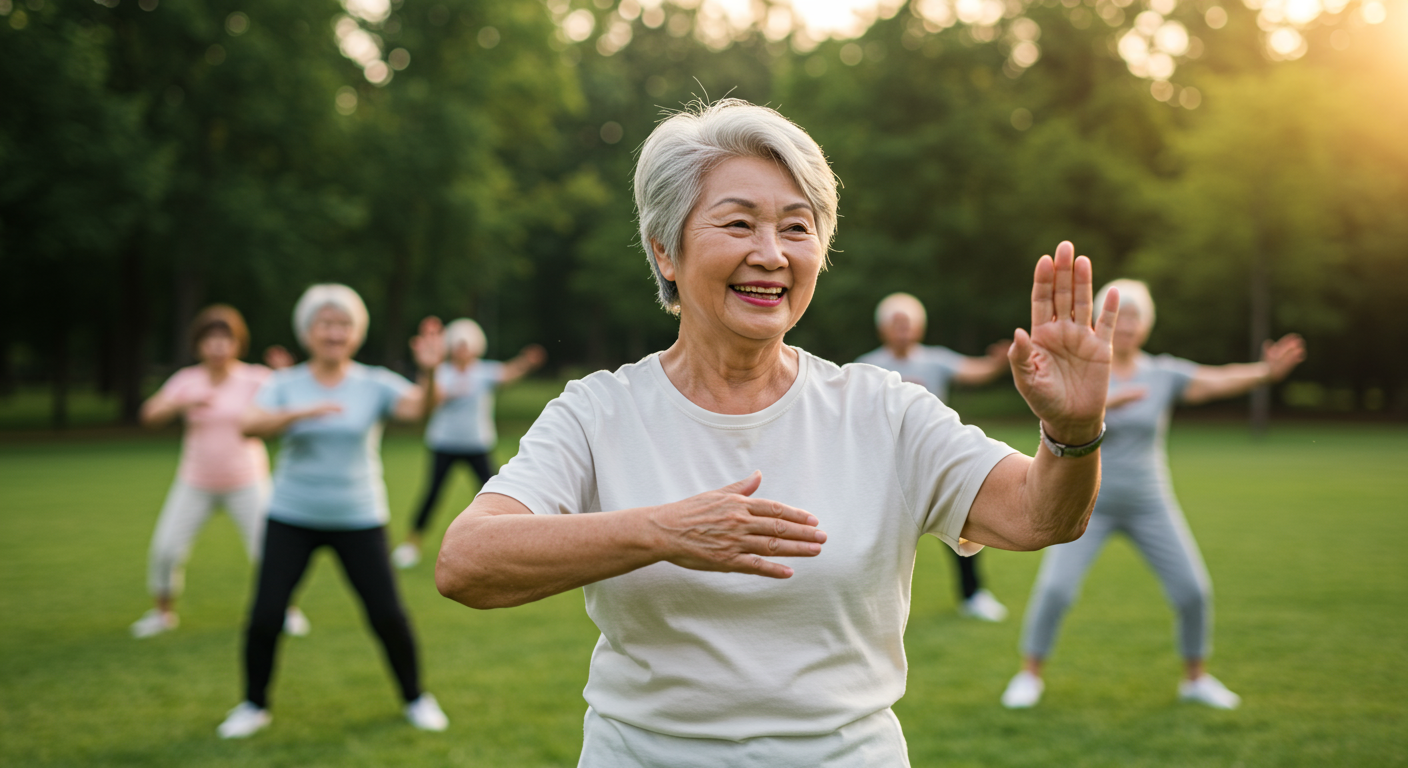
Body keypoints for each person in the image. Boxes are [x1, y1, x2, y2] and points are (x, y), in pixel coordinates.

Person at [435, 99, 1122, 767]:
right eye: (738, 224)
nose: (771, 254)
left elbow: (1041, 515)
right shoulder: (598, 411)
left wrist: (1073, 430)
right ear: (665, 251)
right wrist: (660, 532)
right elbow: (467, 562)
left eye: (798, 228)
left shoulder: (882, 409)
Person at [1001, 279, 1306, 711]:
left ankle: (1195, 679)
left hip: (1150, 503)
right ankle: (1029, 675)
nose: (1126, 324)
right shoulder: (1087, 364)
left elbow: (1215, 379)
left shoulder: (1163, 374)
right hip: (1088, 504)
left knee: (1193, 591)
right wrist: (1102, 403)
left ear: (1147, 325)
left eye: (1135, 316)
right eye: (1119, 314)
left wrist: (1265, 372)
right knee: (1055, 590)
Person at [217, 285, 450, 738]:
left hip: (358, 517)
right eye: (325, 323)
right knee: (266, 615)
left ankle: (416, 698)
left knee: (387, 615)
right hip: (291, 515)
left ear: (356, 333)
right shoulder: (283, 384)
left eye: (343, 324)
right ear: (308, 331)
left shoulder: (373, 382)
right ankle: (253, 705)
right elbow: (247, 425)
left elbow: (418, 411)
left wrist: (430, 373)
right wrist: (300, 413)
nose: (334, 332)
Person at [130, 305, 309, 640]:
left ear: (238, 344)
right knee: (166, 549)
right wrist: (181, 404)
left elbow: (295, 400)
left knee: (271, 552)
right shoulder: (187, 381)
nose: (217, 346)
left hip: (247, 482)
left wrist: (285, 376)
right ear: (198, 344)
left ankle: (287, 610)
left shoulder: (256, 378)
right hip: (195, 482)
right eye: (210, 339)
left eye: (225, 339)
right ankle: (162, 614)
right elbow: (149, 415)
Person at [856, 292, 1013, 622]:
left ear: (920, 327)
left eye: (908, 323)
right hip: (886, 467)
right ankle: (867, 603)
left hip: (935, 463)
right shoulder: (866, 366)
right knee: (874, 536)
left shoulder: (935, 360)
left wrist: (999, 362)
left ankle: (974, 595)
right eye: (896, 324)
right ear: (883, 328)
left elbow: (974, 370)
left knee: (963, 529)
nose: (903, 330)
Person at [391, 319, 546, 569]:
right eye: (458, 344)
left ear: (475, 347)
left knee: (497, 493)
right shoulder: (440, 372)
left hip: (477, 445)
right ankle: (411, 544)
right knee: (432, 495)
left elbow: (508, 372)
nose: (462, 350)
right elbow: (430, 397)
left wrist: (526, 361)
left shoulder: (484, 372)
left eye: (467, 344)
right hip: (444, 444)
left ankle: (512, 541)